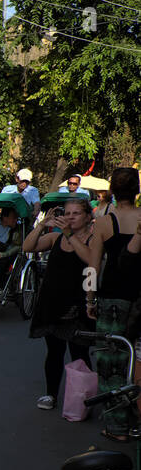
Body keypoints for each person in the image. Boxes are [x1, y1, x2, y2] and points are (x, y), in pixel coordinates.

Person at [23, 196, 99, 410]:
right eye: (67, 213)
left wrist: (69, 234)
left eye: (76, 213)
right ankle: (51, 394)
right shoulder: (56, 239)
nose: (70, 217)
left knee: (79, 353)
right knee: (54, 352)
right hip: (52, 303)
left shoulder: (92, 239)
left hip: (77, 306)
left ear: (87, 217)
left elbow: (90, 261)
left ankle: (81, 398)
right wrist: (41, 225)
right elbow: (27, 246)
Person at [93, 168, 141, 438]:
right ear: (137, 190)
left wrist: (88, 297)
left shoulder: (103, 222)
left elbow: (92, 266)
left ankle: (116, 426)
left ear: (112, 190)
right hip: (138, 295)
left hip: (111, 295)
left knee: (111, 362)